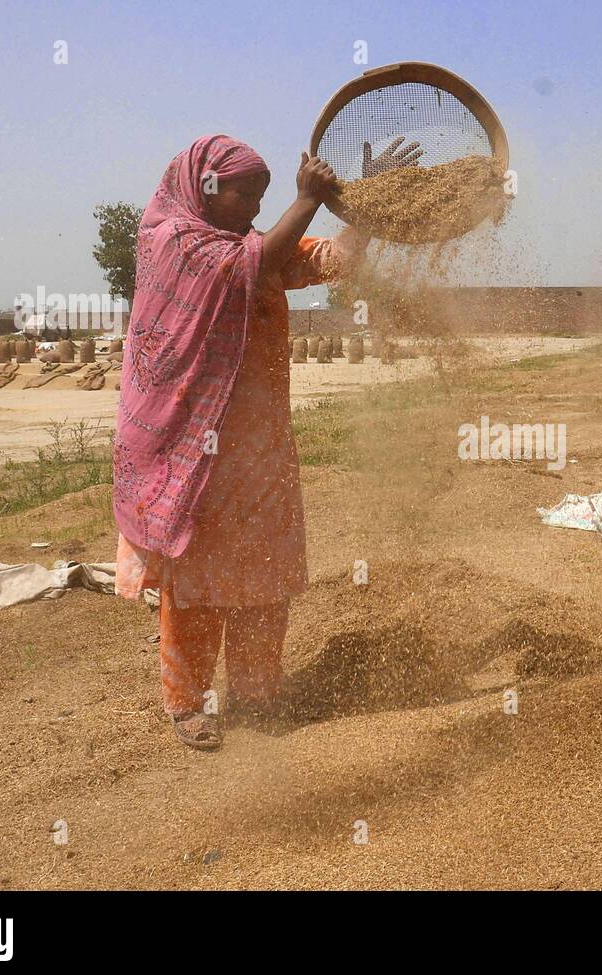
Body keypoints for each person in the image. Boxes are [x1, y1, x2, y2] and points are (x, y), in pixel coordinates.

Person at [112, 134, 410, 749]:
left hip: (259, 443)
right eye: (243, 193)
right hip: (191, 448)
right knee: (194, 579)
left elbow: (332, 259)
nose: (252, 207)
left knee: (263, 570)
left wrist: (369, 204)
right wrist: (307, 199)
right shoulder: (172, 242)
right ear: (204, 187)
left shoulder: (254, 249)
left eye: (262, 196)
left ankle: (256, 692)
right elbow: (245, 266)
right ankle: (188, 702)